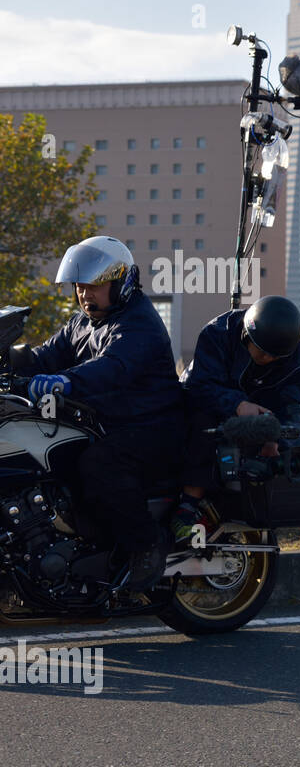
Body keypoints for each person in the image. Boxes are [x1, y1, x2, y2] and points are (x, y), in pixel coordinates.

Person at [10, 236, 183, 589]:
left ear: (121, 283)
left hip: (151, 426)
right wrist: (10, 361)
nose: (85, 294)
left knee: (98, 465)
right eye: (80, 286)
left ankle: (147, 544)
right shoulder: (83, 323)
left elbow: (112, 368)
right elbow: (45, 356)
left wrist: (64, 382)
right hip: (110, 423)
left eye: (95, 286)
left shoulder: (139, 325)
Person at [175, 295, 300, 540]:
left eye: (275, 356)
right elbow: (202, 386)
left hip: (258, 417)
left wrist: (276, 439)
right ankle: (186, 507)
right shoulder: (217, 334)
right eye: (263, 353)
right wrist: (237, 404)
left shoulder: (294, 356)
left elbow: (296, 408)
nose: (268, 360)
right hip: (205, 403)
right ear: (247, 336)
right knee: (202, 423)